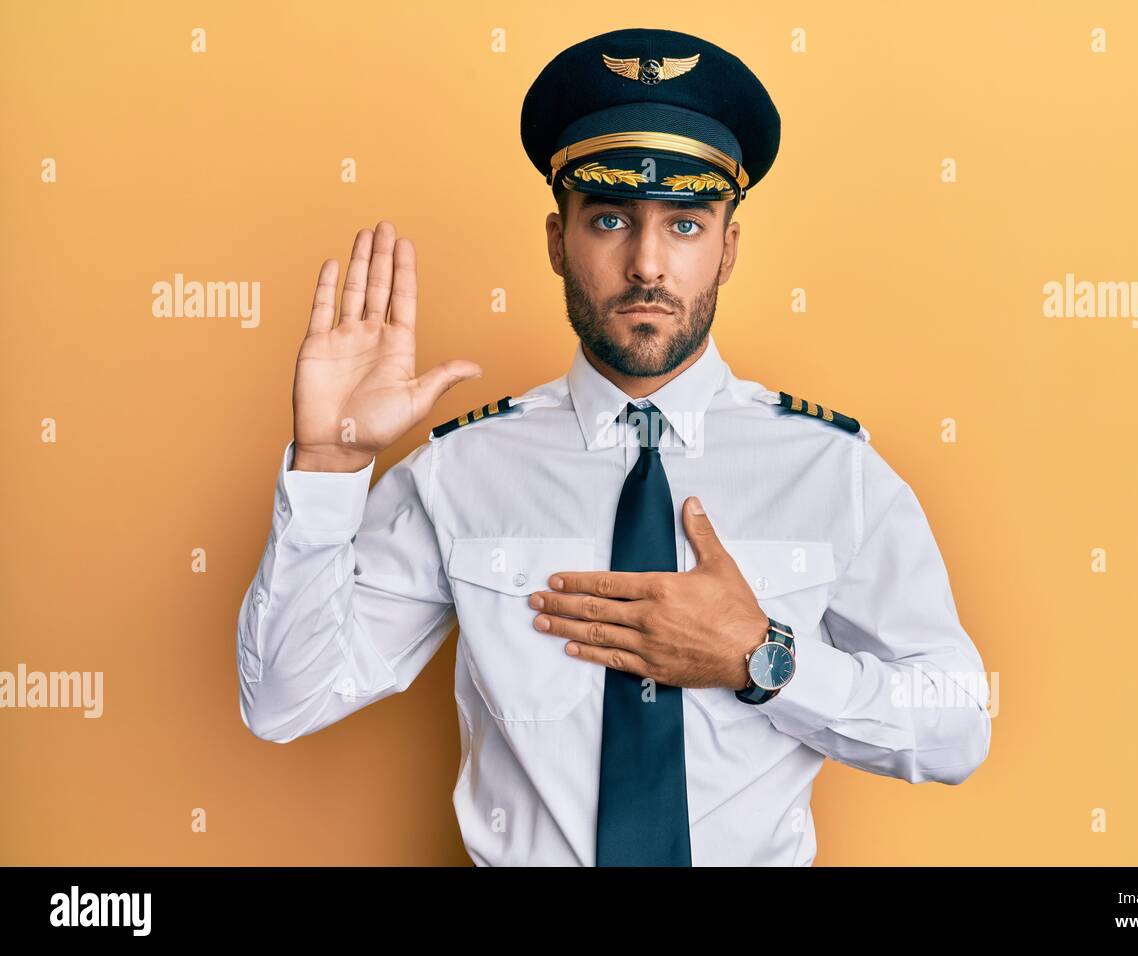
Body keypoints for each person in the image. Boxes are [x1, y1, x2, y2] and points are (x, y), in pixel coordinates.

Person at [236, 27, 991, 867]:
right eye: (608, 218)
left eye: (687, 224)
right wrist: (330, 464)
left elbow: (956, 724)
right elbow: (283, 700)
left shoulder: (835, 471)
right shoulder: (459, 472)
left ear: (728, 249)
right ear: (557, 242)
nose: (646, 264)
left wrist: (762, 657)